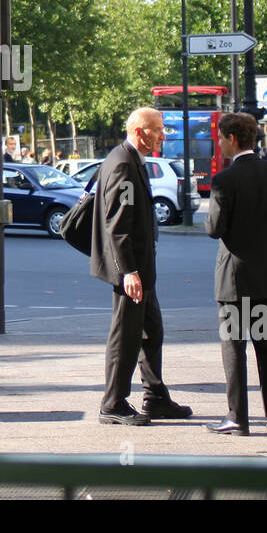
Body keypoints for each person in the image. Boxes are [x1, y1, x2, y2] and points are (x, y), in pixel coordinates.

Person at [91, 107, 190, 426]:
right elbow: (117, 226)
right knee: (126, 335)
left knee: (151, 332)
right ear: (139, 131)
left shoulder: (130, 159)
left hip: (141, 270)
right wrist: (129, 271)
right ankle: (113, 403)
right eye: (158, 129)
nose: (163, 135)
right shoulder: (122, 163)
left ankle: (155, 397)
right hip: (131, 271)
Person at [205, 111, 267, 436]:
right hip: (266, 276)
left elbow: (214, 228)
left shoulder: (224, 180)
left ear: (233, 139)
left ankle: (237, 418)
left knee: (234, 347)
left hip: (234, 278)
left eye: (221, 138)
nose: (219, 144)